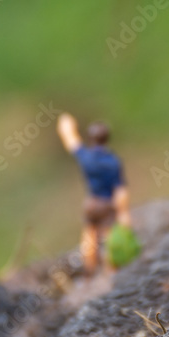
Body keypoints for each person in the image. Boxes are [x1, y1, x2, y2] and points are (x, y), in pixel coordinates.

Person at [57, 113, 132, 272]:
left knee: (89, 234)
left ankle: (89, 266)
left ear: (91, 138)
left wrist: (66, 126)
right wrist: (123, 213)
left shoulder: (87, 158)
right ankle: (110, 267)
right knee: (109, 235)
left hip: (91, 202)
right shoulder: (112, 161)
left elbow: (72, 141)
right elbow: (120, 190)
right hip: (106, 204)